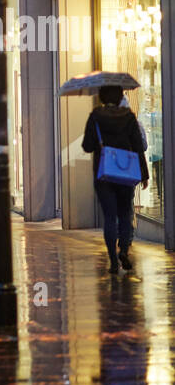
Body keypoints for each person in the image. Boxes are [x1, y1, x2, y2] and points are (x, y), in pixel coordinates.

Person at [82, 85, 148, 274]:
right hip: (125, 172)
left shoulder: (96, 116)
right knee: (125, 213)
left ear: (102, 97)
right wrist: (143, 174)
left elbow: (87, 146)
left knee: (110, 217)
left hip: (104, 174)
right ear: (120, 97)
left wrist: (99, 142)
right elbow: (137, 147)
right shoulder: (128, 116)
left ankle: (112, 259)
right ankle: (124, 251)